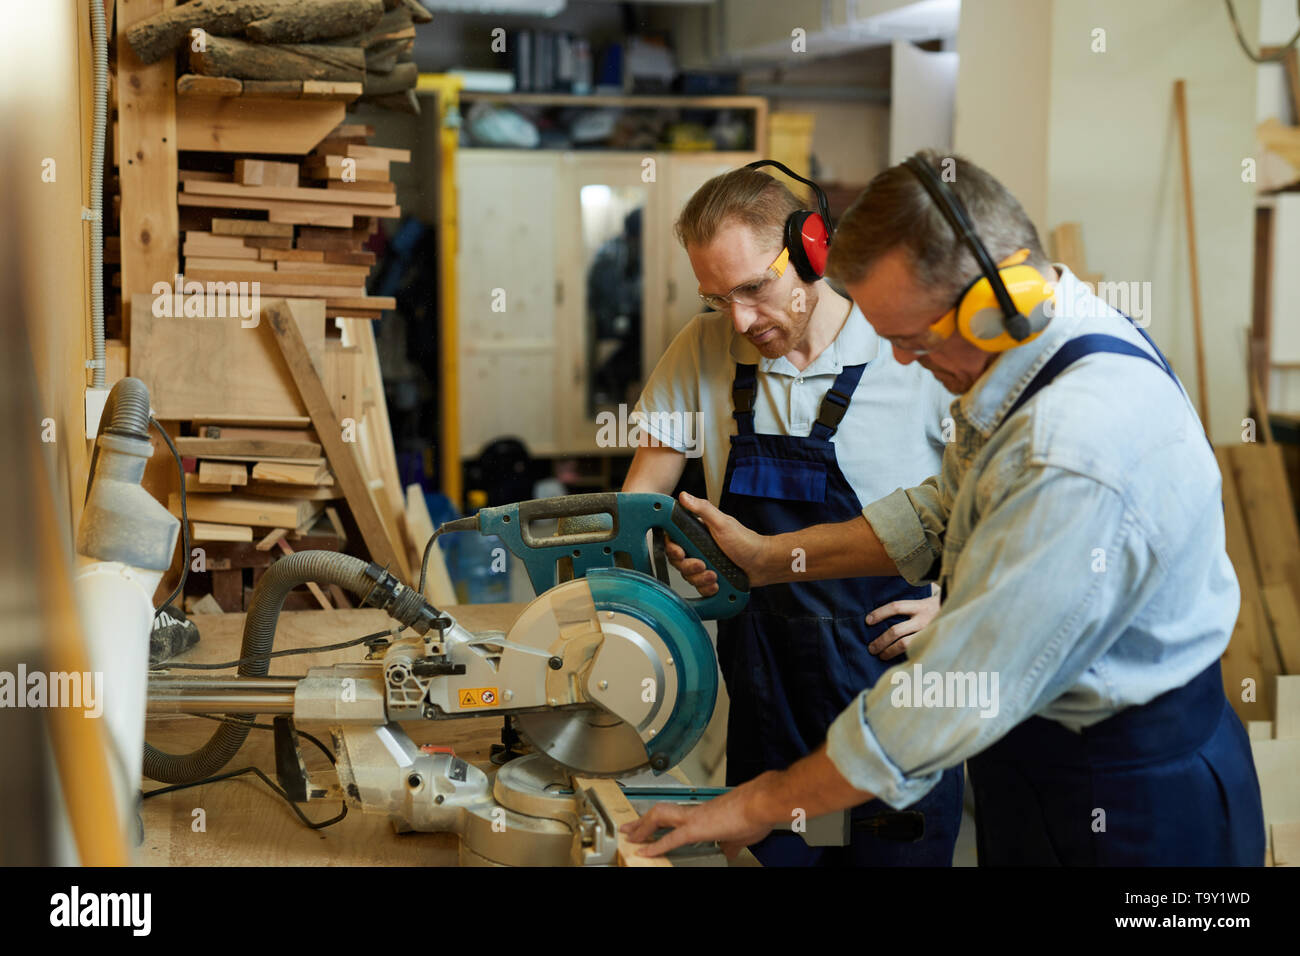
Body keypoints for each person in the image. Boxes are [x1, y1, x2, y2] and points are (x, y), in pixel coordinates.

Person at [623, 150, 1266, 866]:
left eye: (913, 340)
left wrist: (757, 802)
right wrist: (771, 559)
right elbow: (943, 506)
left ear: (998, 301)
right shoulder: (1044, 338)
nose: (899, 363)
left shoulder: (1071, 449)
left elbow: (951, 697)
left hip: (1128, 793)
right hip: (1035, 751)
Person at [622, 162, 964, 865]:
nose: (742, 321)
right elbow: (637, 514)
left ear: (814, 250)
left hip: (889, 684)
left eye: (754, 288)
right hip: (765, 688)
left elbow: (992, 508)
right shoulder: (701, 349)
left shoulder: (909, 353)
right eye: (719, 299)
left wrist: (956, 604)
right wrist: (681, 552)